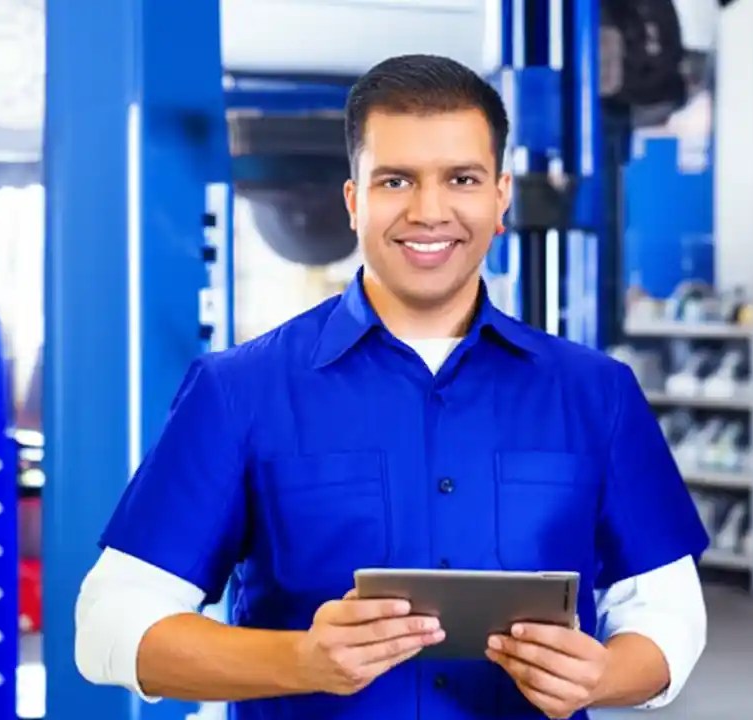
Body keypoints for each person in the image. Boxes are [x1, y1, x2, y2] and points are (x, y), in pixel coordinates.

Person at [74, 53, 710, 720]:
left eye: (461, 178)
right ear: (354, 201)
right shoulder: (238, 393)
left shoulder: (596, 395)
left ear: (500, 199)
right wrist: (298, 661)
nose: (429, 211)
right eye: (396, 180)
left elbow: (668, 616)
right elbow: (109, 625)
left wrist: (600, 675)